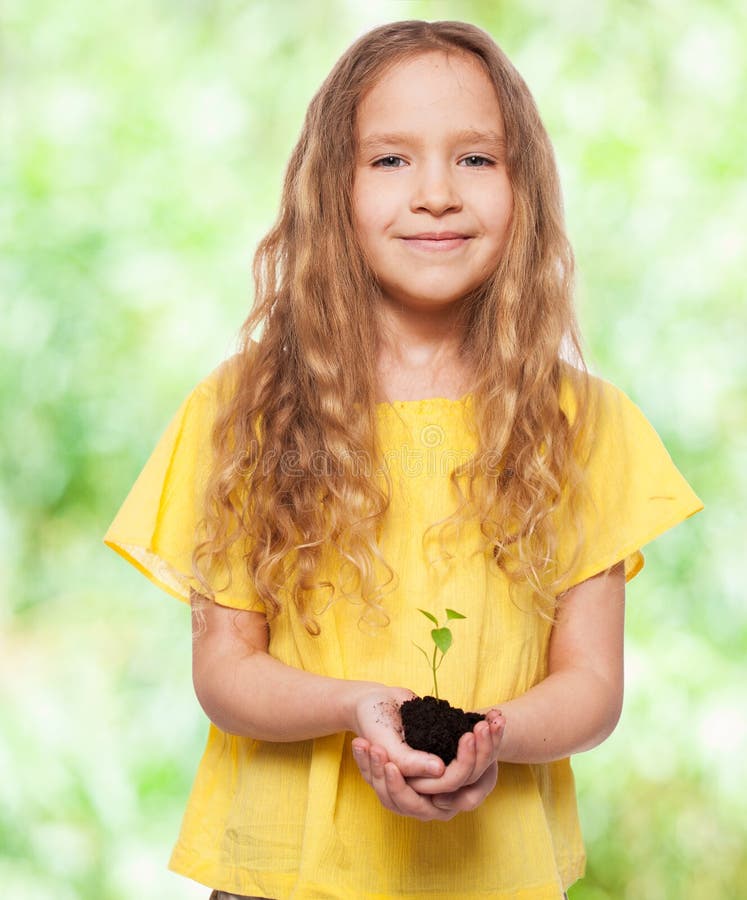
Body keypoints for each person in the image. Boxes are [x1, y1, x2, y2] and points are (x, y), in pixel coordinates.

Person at [105, 19, 703, 900]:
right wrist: (355, 707)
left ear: (524, 188)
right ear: (329, 191)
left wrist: (486, 736)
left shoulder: (585, 424)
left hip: (496, 877)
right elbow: (225, 671)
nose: (434, 194)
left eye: (475, 159)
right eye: (389, 160)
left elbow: (591, 685)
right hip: (281, 879)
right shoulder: (242, 413)